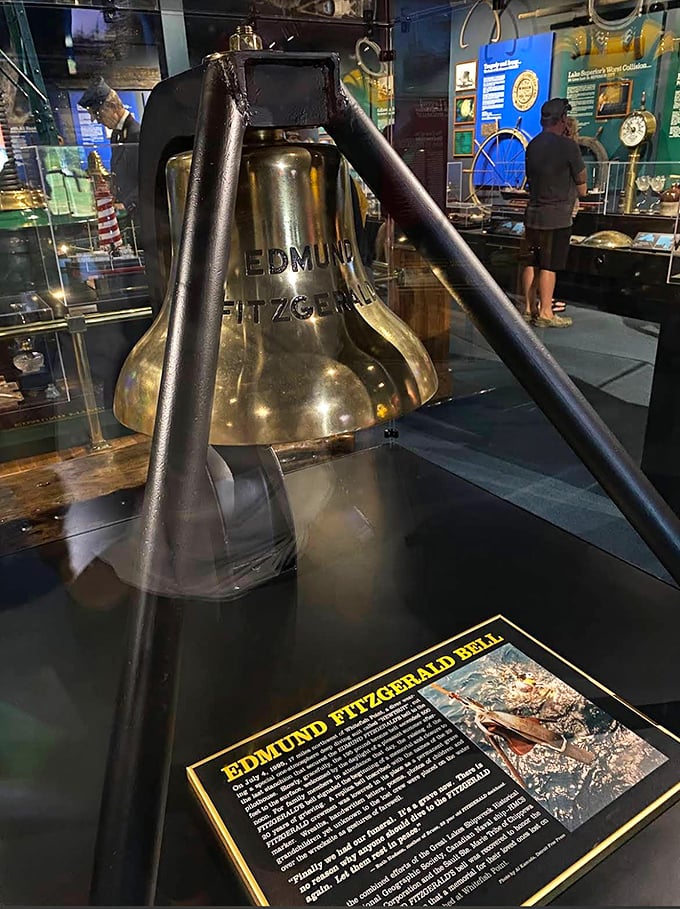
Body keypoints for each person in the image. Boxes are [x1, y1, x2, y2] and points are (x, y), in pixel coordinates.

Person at [521, 98, 586, 328]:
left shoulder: (533, 145)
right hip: (557, 217)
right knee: (548, 265)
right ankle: (546, 313)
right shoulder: (569, 146)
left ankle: (529, 309)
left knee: (531, 262)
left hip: (533, 214)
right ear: (562, 120)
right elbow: (583, 185)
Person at [78, 76, 140, 222]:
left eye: (98, 114)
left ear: (112, 106)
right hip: (127, 213)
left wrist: (127, 204)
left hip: (138, 212)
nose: (97, 120)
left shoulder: (135, 134)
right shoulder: (117, 136)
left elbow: (147, 177)